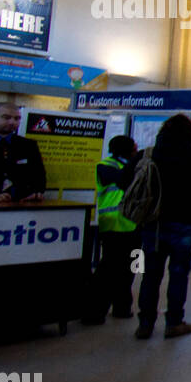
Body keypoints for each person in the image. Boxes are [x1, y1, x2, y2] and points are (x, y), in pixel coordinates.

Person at [135, 114, 191, 339]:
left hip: (153, 224)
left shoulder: (148, 154)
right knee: (178, 274)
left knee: (150, 275)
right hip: (183, 223)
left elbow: (124, 180)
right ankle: (174, 322)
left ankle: (145, 323)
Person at [83, 135, 139, 324]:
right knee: (108, 269)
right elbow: (123, 180)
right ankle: (93, 312)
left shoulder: (132, 166)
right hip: (114, 226)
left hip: (135, 225)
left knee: (132, 267)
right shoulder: (106, 166)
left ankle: (123, 307)